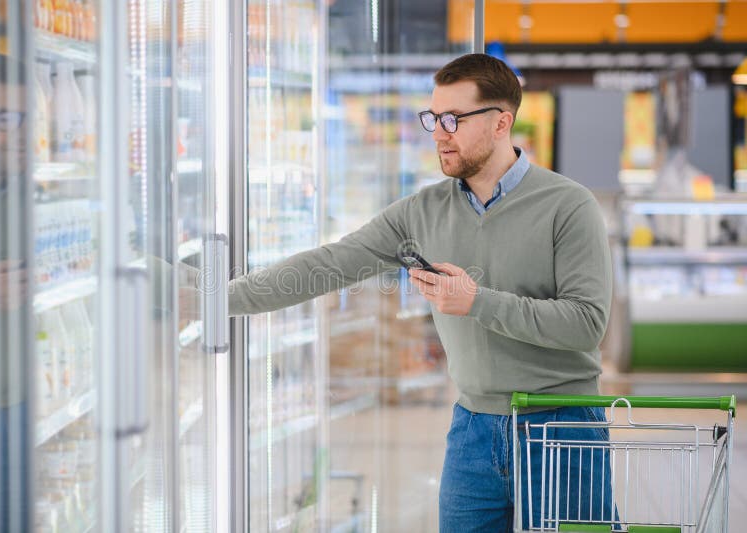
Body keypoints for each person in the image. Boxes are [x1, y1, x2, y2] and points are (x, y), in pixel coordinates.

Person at [226, 53, 614, 532]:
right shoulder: (421, 212)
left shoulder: (568, 206)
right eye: (433, 118)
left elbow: (586, 324)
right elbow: (329, 265)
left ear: (501, 123)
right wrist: (221, 300)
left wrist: (478, 301)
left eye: (453, 119)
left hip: (562, 426)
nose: (439, 132)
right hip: (472, 428)